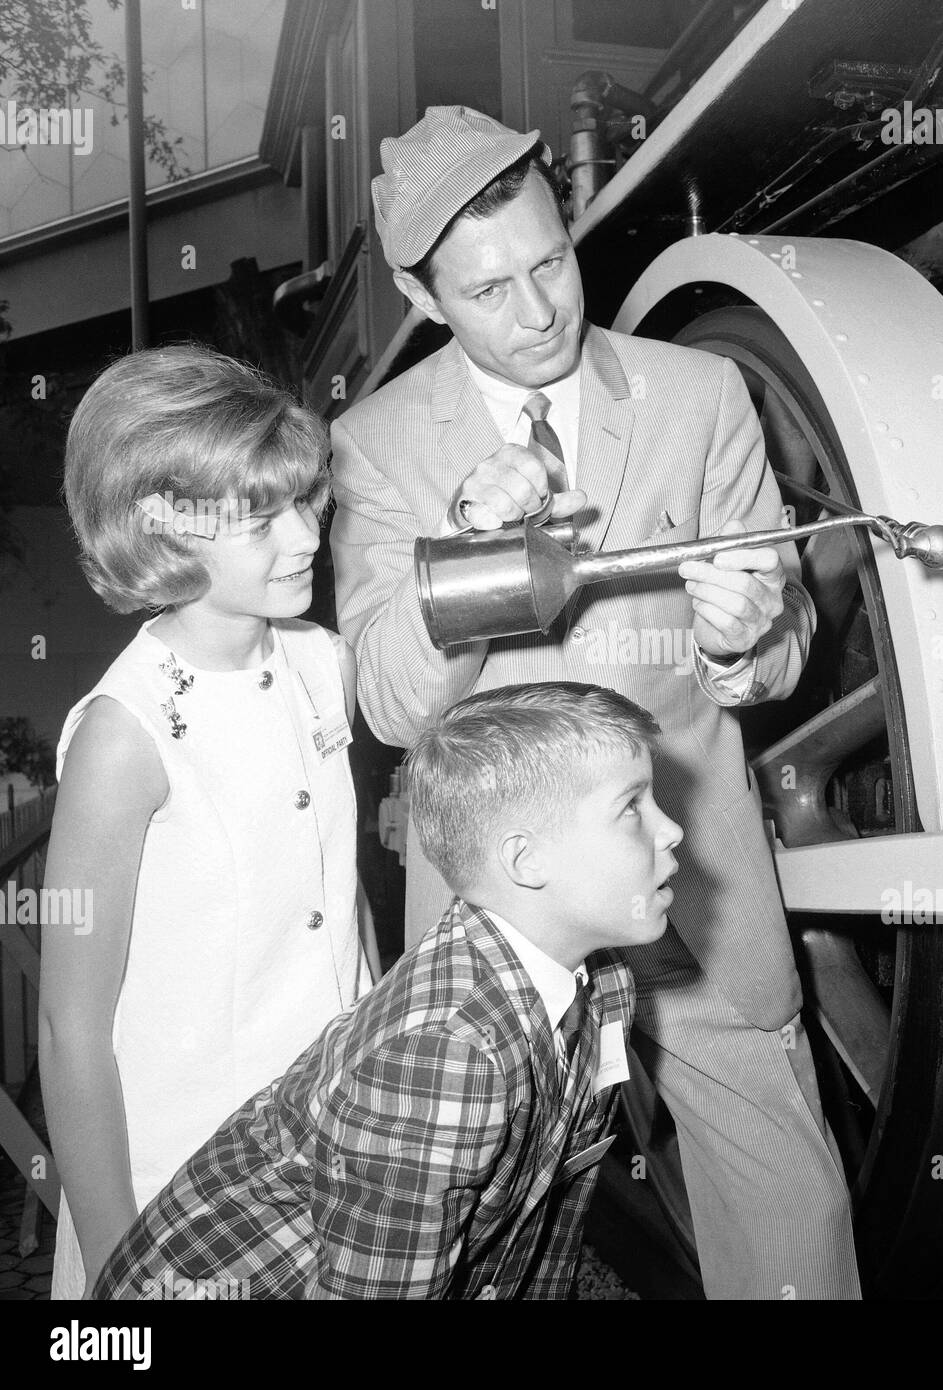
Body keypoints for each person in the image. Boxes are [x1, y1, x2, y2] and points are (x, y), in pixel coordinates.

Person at [330, 106, 859, 1299]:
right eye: (487, 291)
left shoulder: (701, 394)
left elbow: (784, 650)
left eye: (551, 262)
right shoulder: (372, 450)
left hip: (696, 883)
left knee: (792, 1218)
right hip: (498, 927)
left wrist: (752, 638)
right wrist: (469, 555)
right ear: (423, 299)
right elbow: (388, 707)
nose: (538, 313)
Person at [92, 682, 673, 1300]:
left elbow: (547, 1219)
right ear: (526, 861)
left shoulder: (604, 987)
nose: (673, 831)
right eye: (633, 807)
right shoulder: (445, 1058)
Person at [41, 345, 377, 1299]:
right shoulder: (123, 735)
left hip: (326, 1168)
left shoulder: (324, 662)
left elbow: (338, 911)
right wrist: (122, 1266)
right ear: (163, 525)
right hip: (177, 1202)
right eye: (262, 518)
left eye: (307, 501)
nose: (307, 537)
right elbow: (70, 1028)